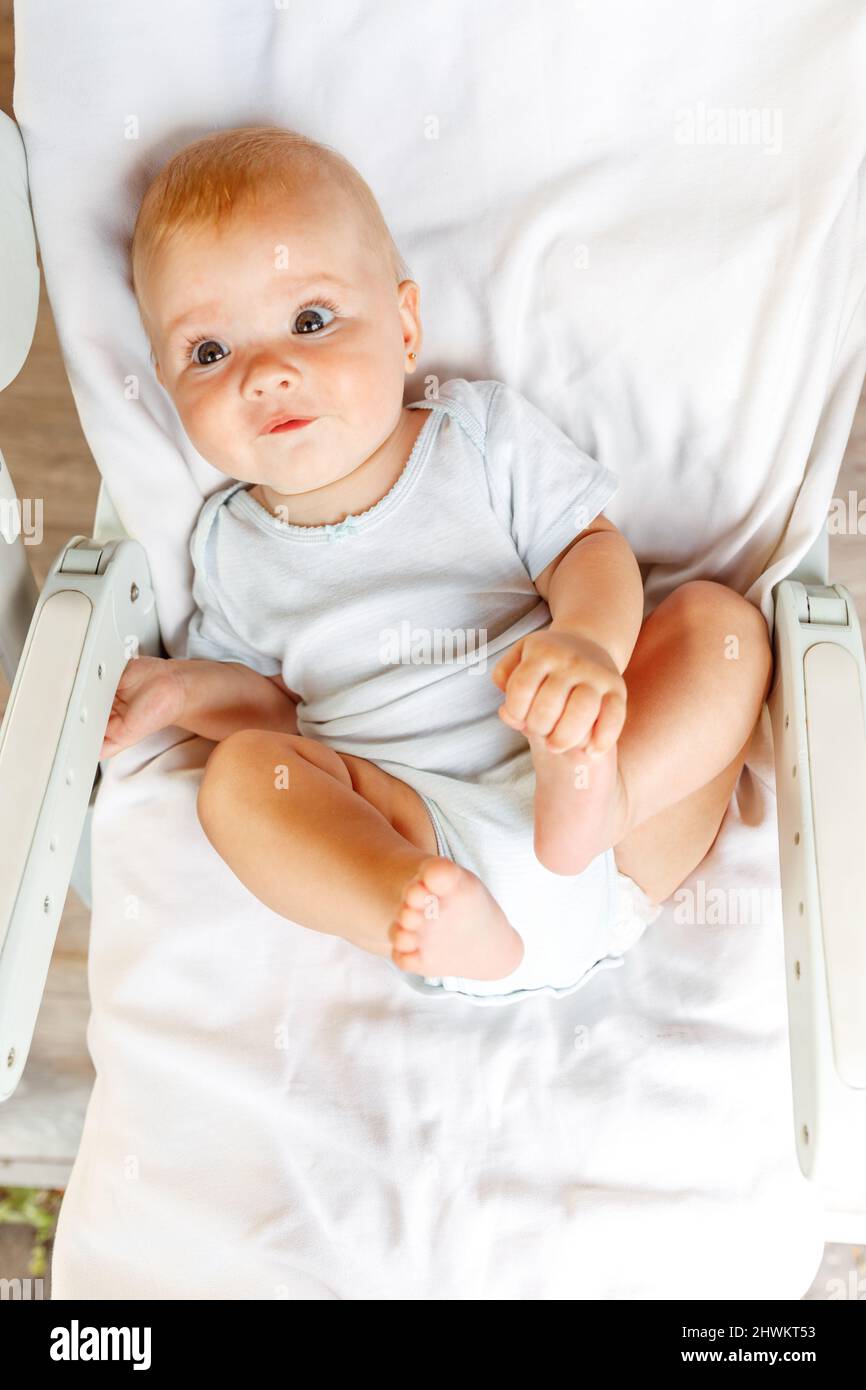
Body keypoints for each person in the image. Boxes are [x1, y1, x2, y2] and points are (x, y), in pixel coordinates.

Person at [104, 125, 773, 1004]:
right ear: (164, 381)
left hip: (606, 821)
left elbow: (588, 547)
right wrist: (182, 694)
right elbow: (281, 708)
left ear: (405, 325)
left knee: (721, 629)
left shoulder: (476, 438)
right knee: (240, 780)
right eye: (209, 353)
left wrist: (586, 645)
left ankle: (603, 799)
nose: (266, 374)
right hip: (419, 836)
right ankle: (394, 903)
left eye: (309, 321)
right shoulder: (230, 548)